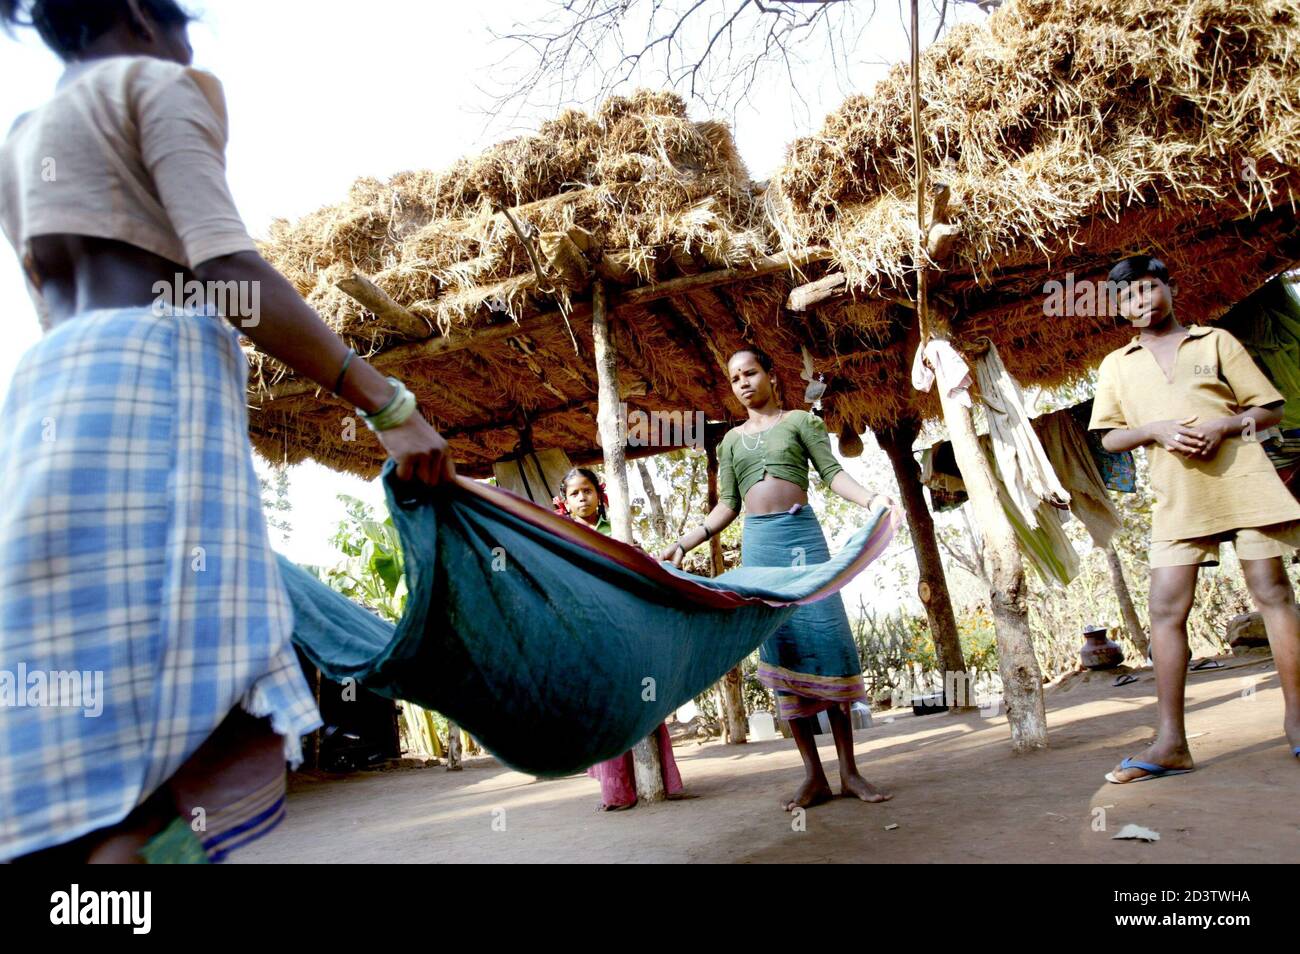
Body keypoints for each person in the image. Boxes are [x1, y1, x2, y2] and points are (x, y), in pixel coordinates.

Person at [0, 0, 453, 862]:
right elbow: (227, 269)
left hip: (46, 406)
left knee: (96, 708)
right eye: (182, 26)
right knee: (199, 706)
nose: (186, 46)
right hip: (150, 393)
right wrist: (388, 405)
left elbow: (49, 299)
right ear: (139, 14)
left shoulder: (21, 138)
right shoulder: (156, 84)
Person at [1090, 255, 1300, 781]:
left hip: (1243, 478)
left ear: (1171, 288)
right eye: (1128, 296)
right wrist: (1155, 429)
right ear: (1119, 309)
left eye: (1150, 288)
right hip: (1178, 494)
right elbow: (1111, 436)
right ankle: (1171, 742)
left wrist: (1224, 426)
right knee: (1165, 607)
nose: (1141, 300)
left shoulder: (1215, 342)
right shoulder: (1116, 365)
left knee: (1271, 590)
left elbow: (1268, 410)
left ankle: (1297, 720)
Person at [659, 347, 896, 811]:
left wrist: (872, 501)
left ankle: (849, 771)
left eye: (751, 372)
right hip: (760, 549)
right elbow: (727, 506)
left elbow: (832, 474)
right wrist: (685, 543)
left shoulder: (801, 422)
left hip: (804, 543)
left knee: (826, 641)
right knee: (782, 650)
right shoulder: (729, 442)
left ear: (770, 374)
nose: (744, 382)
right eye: (735, 378)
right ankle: (815, 777)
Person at [554, 467, 685, 810]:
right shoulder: (561, 536)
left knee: (642, 701)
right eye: (574, 493)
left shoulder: (618, 531)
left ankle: (660, 780)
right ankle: (617, 792)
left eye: (587, 490)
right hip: (590, 630)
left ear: (600, 494)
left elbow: (639, 569)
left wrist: (644, 558)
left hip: (627, 627)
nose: (582, 497)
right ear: (565, 502)